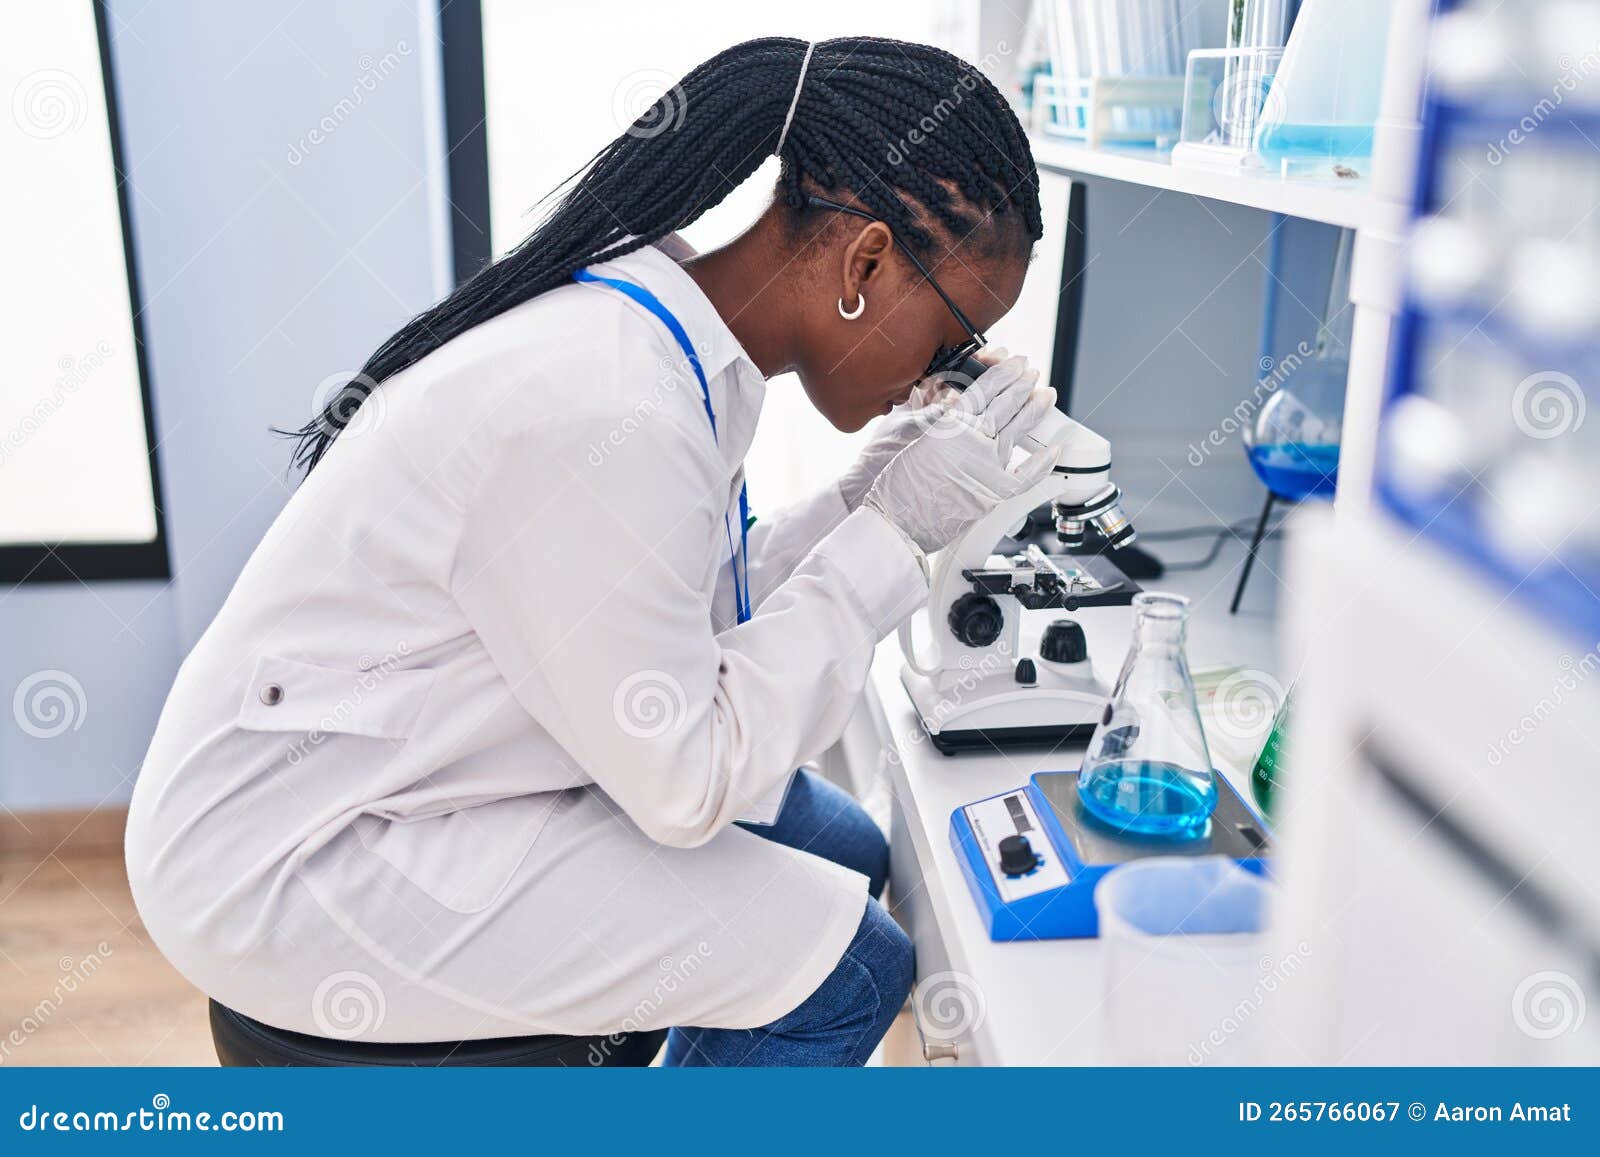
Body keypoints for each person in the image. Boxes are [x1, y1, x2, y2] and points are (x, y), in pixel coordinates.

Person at [126, 35, 1055, 1066]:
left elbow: (677, 616)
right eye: (954, 333)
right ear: (866, 261)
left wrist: (857, 502)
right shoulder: (613, 402)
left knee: (844, 845)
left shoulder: (681, 333)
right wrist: (891, 537)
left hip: (424, 764)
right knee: (855, 970)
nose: (949, 368)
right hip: (299, 858)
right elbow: (686, 778)